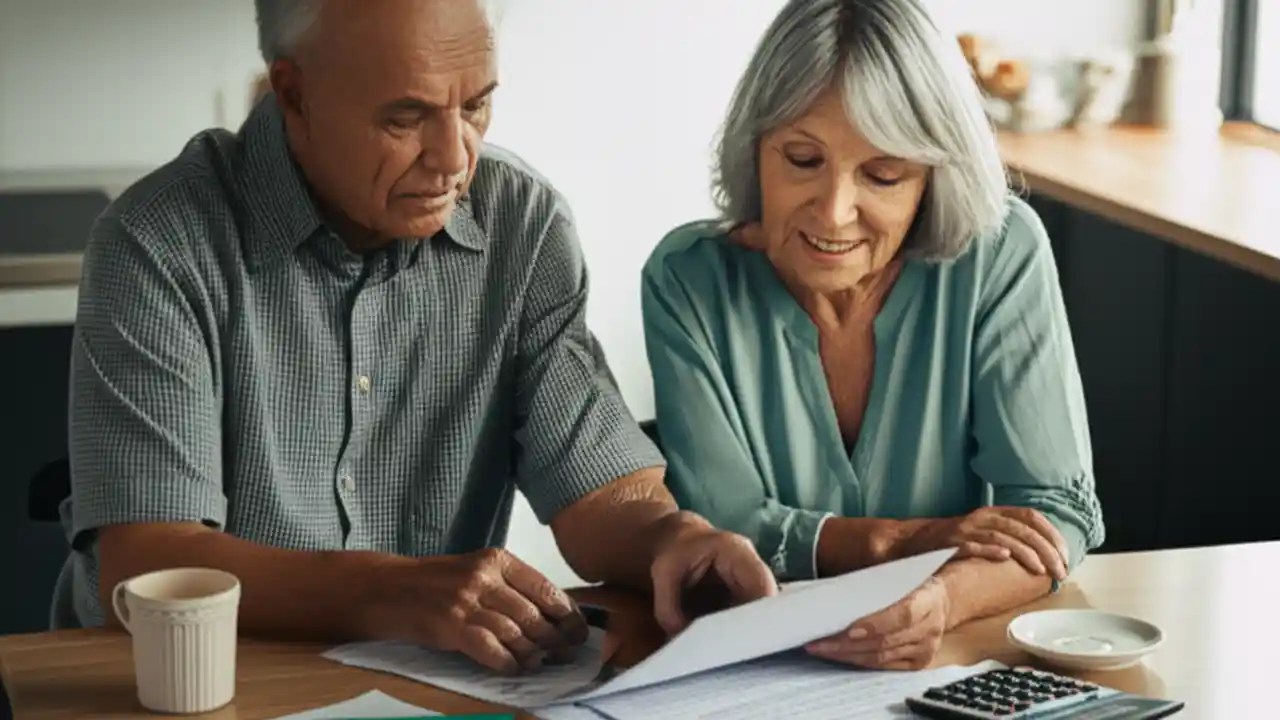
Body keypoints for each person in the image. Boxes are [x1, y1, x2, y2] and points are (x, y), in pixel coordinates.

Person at [55, 0, 776, 674]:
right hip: (176, 682)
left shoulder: (523, 226)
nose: (454, 158)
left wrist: (670, 539)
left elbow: (597, 488)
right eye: (406, 118)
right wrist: (387, 591)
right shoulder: (156, 242)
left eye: (477, 104)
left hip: (421, 682)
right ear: (294, 95)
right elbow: (148, 564)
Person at [642, 0, 1104, 671]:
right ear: (755, 150)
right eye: (801, 160)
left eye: (883, 175)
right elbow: (726, 527)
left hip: (946, 662)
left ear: (933, 178)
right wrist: (902, 542)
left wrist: (942, 600)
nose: (833, 212)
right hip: (757, 672)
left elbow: (1055, 513)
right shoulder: (687, 278)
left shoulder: (1000, 253)